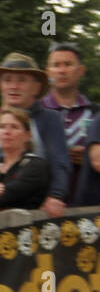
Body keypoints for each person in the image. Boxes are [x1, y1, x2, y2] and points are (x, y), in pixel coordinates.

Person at [0, 53, 70, 217]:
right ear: (0, 86)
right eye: (7, 80)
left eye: (21, 80)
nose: (14, 86)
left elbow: (60, 162)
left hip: (35, 212)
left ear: (36, 88)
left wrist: (56, 195)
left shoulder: (49, 119)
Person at [42, 43, 94, 202]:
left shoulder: (95, 113)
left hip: (88, 204)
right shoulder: (36, 111)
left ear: (81, 70)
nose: (62, 70)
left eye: (68, 64)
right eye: (56, 65)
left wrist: (89, 157)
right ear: (47, 72)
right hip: (44, 203)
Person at [0, 107, 50, 212]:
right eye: (2, 127)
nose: (7, 132)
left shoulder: (36, 165)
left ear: (27, 135)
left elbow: (7, 196)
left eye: (14, 127)